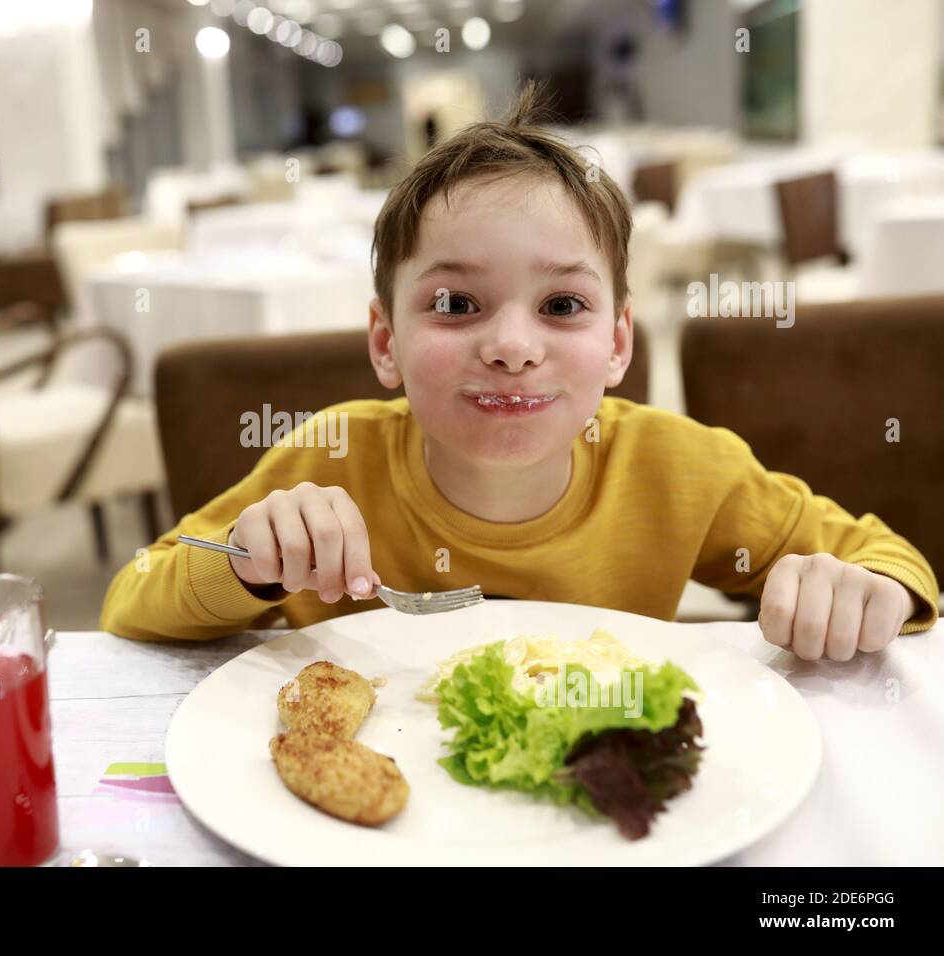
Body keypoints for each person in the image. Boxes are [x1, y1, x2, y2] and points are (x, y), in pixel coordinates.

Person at [100, 83, 938, 661]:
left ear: (618, 344)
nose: (511, 345)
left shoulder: (682, 468)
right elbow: (132, 600)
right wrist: (246, 561)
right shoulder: (328, 457)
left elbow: (890, 562)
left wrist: (865, 593)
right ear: (385, 342)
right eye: (457, 305)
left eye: (562, 307)